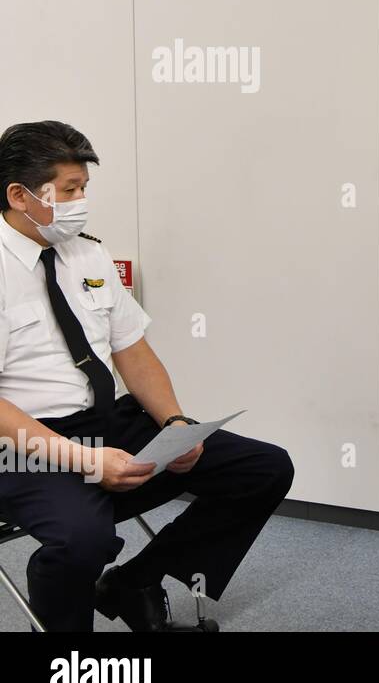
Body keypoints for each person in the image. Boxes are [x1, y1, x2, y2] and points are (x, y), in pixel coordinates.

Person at [0, 120, 295, 631]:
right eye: (69, 190)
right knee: (82, 538)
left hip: (106, 422)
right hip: (23, 445)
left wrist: (176, 423)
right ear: (20, 196)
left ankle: (132, 582)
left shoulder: (87, 253)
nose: (80, 201)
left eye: (84, 189)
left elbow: (132, 351)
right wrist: (83, 458)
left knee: (262, 469)